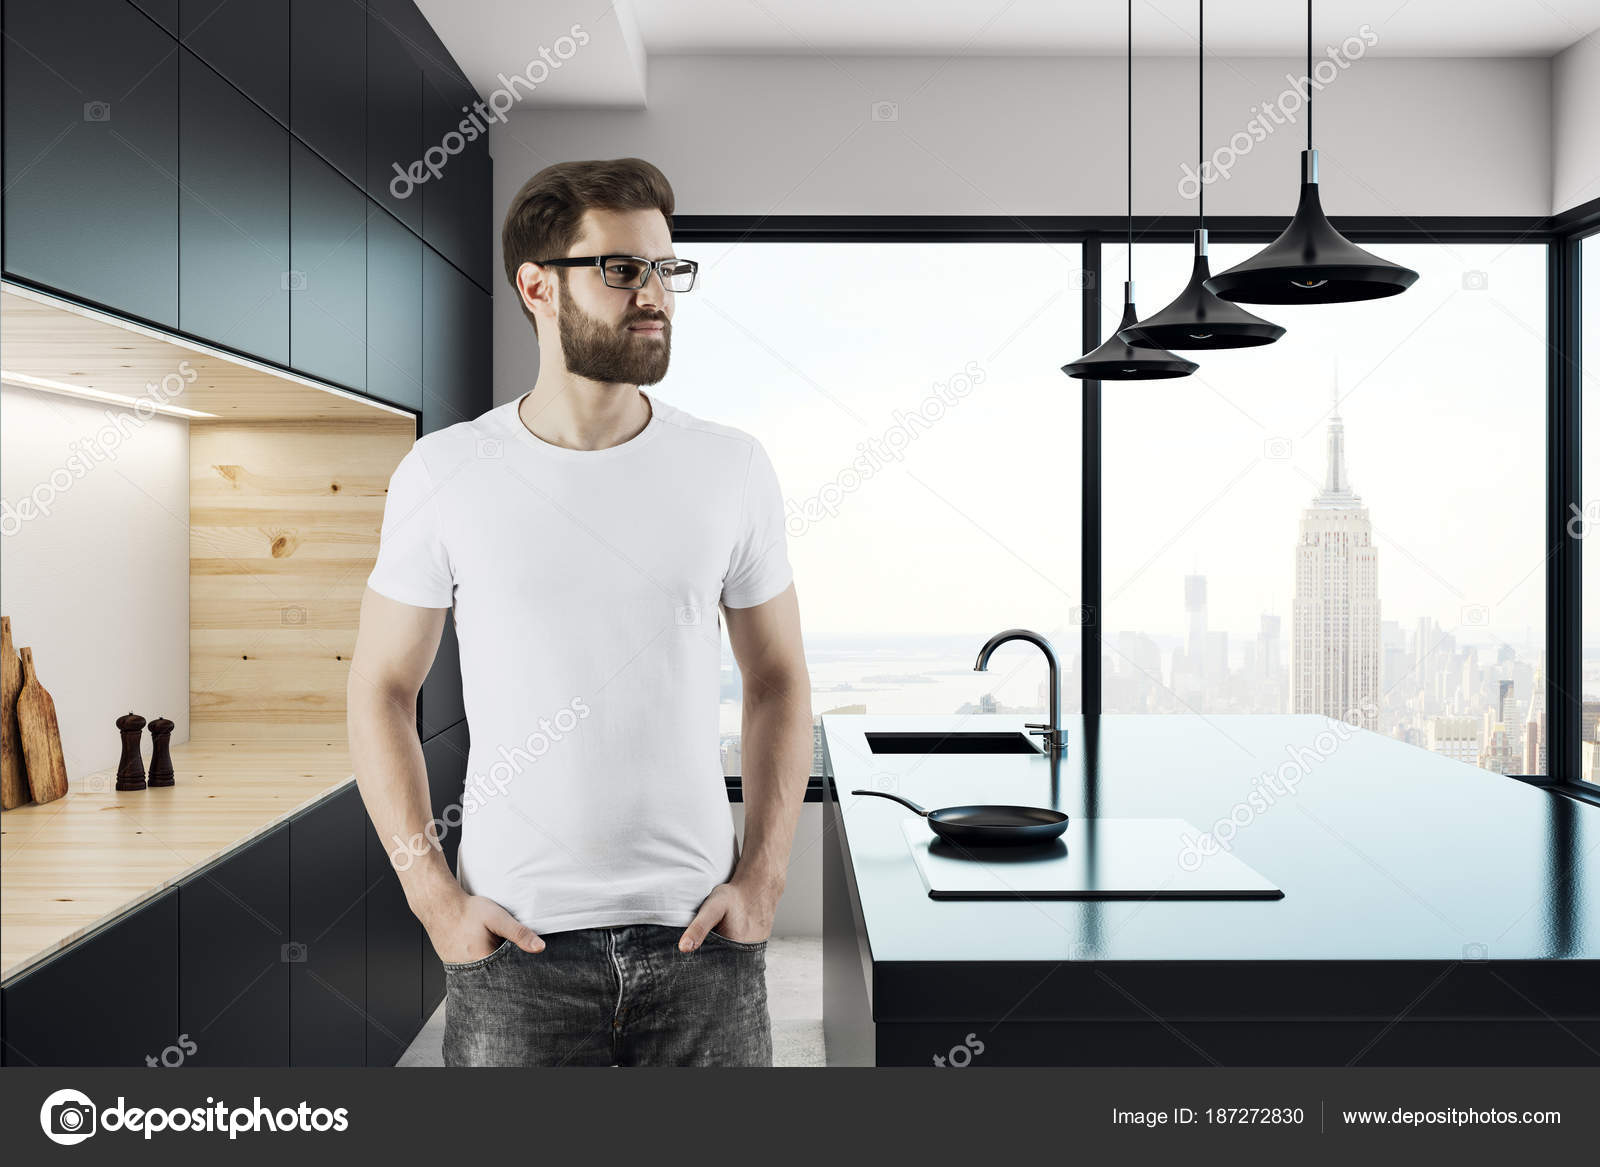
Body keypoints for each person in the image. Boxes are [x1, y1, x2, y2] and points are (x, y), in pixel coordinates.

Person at [347, 157, 813, 1066]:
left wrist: (764, 878)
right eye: (620, 268)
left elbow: (779, 676)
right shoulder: (444, 473)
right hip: (516, 957)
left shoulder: (731, 468)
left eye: (665, 270)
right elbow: (380, 689)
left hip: (701, 946)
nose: (656, 294)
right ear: (535, 286)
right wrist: (434, 901)